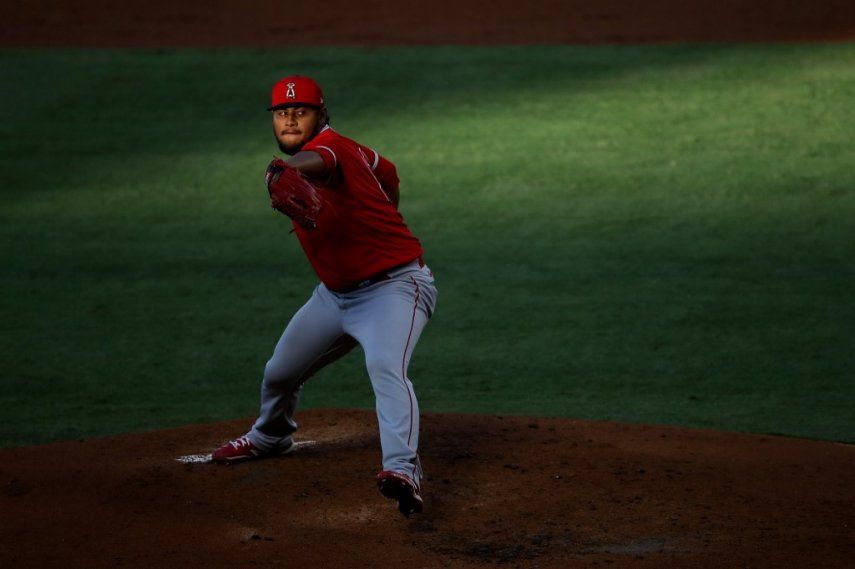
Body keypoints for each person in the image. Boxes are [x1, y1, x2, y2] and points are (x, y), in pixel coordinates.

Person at [211, 75, 437, 517]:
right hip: (334, 298)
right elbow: (386, 170)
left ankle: (403, 469)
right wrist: (374, 208)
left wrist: (291, 171)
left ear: (321, 115)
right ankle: (270, 437)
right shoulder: (357, 152)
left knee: (385, 367)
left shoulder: (328, 150)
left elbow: (323, 160)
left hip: (397, 289)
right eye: (282, 113)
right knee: (279, 372)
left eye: (301, 111)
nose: (291, 119)